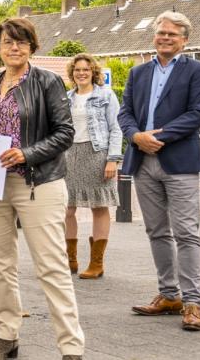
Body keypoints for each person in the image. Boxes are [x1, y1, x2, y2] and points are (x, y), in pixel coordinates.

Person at [0, 17, 84, 360]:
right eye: (8, 42)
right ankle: (6, 335)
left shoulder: (48, 82)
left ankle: (71, 348)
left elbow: (64, 133)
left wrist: (25, 154)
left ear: (32, 46)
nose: (14, 47)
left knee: (51, 267)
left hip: (36, 183)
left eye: (22, 42)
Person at [118, 11, 200, 332]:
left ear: (184, 40)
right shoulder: (137, 72)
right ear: (154, 36)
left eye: (173, 34)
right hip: (142, 161)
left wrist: (157, 136)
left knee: (186, 232)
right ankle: (169, 295)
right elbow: (125, 113)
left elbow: (198, 114)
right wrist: (134, 136)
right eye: (161, 33)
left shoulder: (198, 70)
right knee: (156, 231)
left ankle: (192, 302)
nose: (166, 38)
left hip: (179, 161)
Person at [63, 53, 122, 280]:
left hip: (96, 154)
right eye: (77, 69)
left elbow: (116, 128)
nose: (81, 73)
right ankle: (71, 259)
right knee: (67, 208)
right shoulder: (67, 97)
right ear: (72, 73)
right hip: (69, 155)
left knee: (99, 206)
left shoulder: (106, 95)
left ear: (93, 72)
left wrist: (112, 159)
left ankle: (97, 263)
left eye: (86, 69)